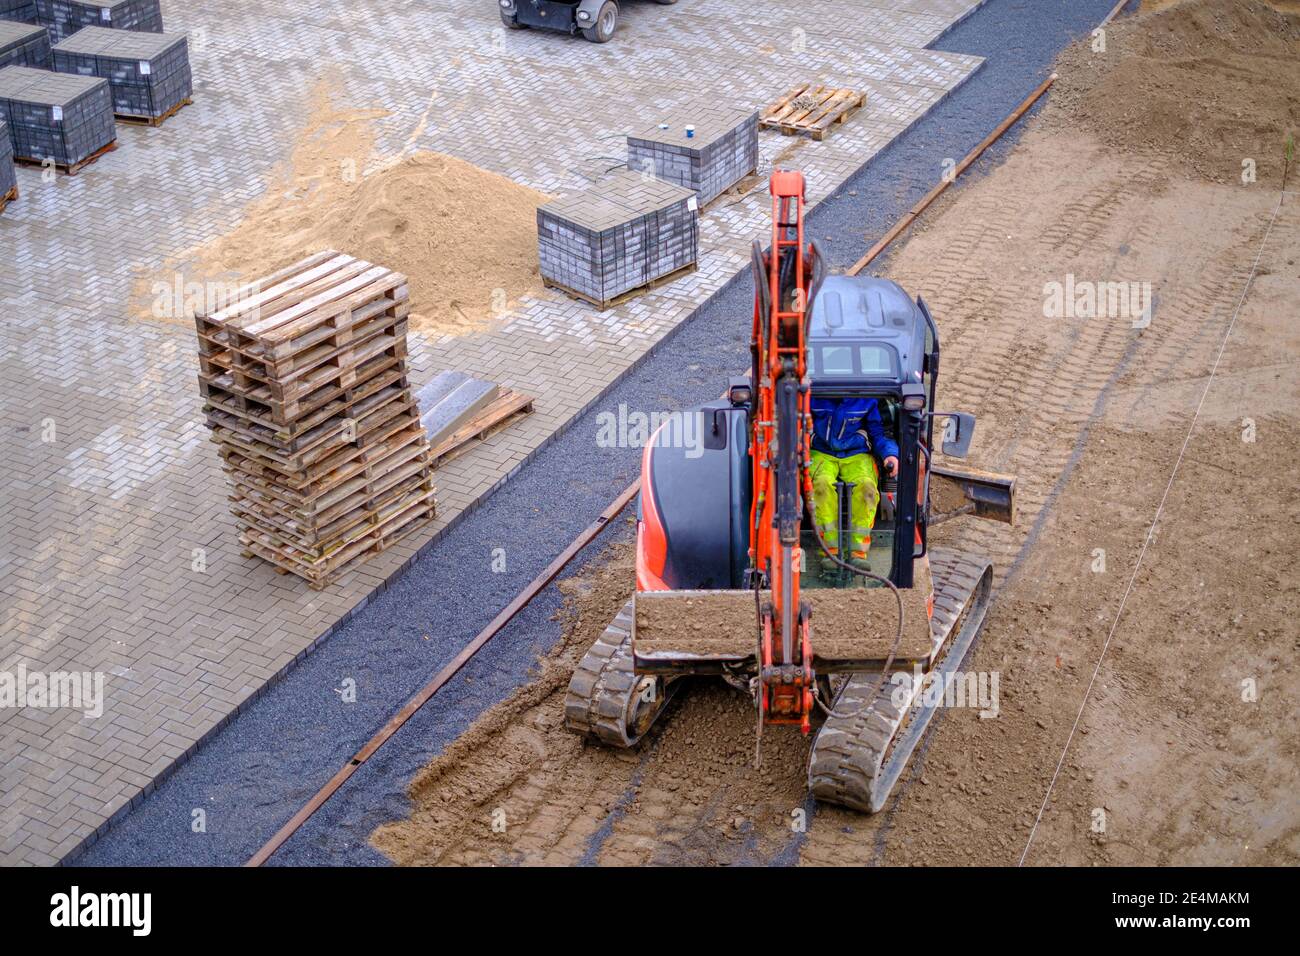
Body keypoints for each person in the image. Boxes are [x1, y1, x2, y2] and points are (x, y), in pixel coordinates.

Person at [809, 396, 899, 574]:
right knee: (821, 486)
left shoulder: (870, 397)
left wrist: (890, 454)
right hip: (821, 451)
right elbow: (797, 426)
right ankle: (830, 552)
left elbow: (881, 432)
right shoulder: (809, 394)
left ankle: (857, 553)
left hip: (857, 454)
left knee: (867, 489)